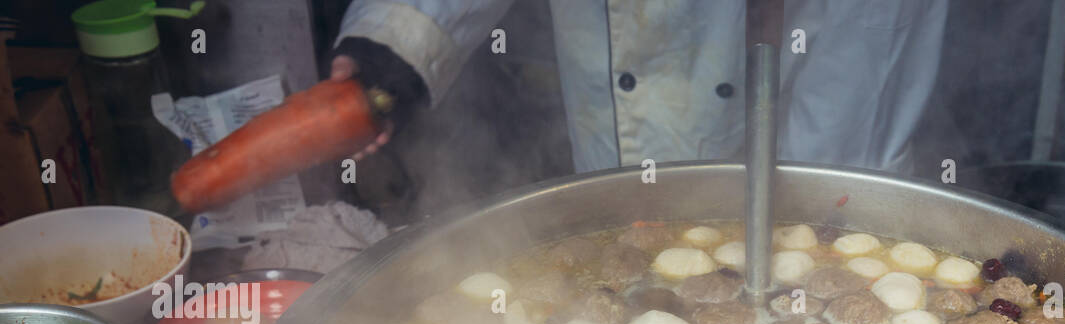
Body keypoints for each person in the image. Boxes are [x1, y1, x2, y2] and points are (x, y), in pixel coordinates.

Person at [330, 0, 949, 174]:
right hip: (647, 66)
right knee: (633, 244)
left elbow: (868, 48)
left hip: (837, 39)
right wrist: (404, 40)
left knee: (836, 228)